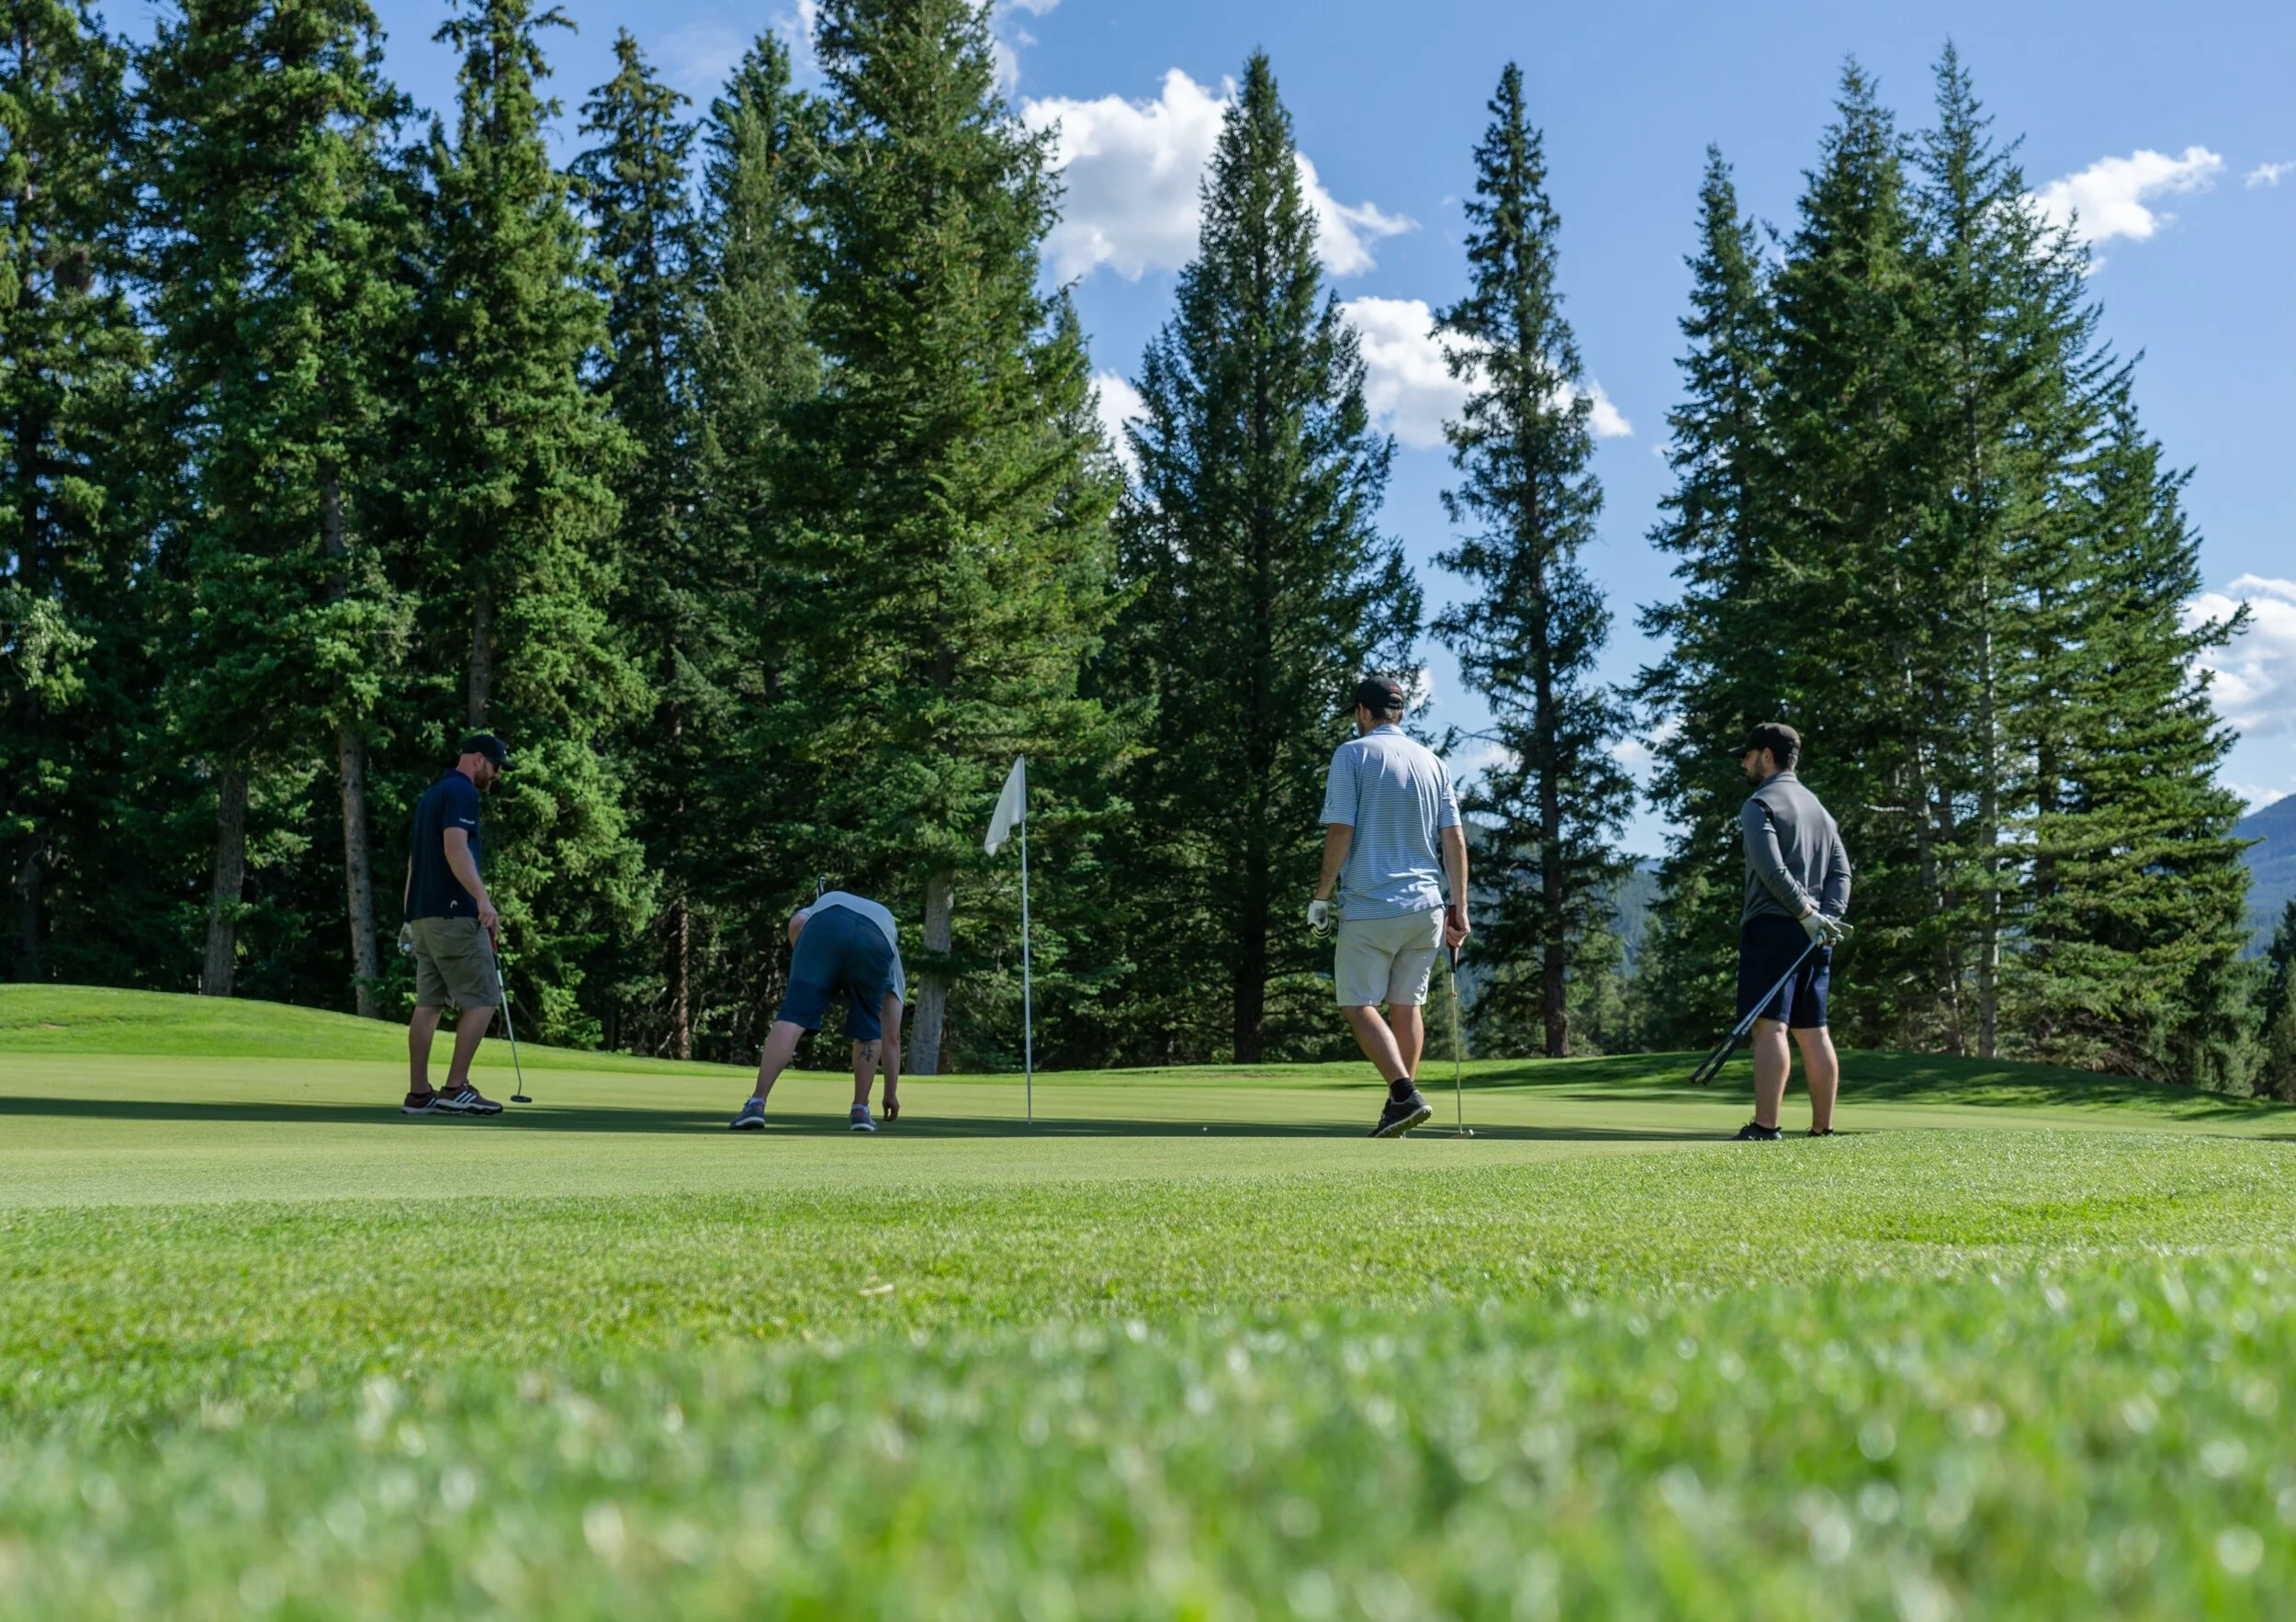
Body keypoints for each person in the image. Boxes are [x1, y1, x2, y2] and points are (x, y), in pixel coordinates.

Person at [1311, 675, 1470, 1138]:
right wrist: (1460, 906)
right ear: (1398, 712)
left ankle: (1403, 1093)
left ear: (1363, 712)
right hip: (1427, 908)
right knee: (1407, 1006)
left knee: (1357, 1004)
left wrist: (1321, 895)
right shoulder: (1433, 762)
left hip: (1371, 904)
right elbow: (1454, 839)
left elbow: (1341, 829)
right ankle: (1399, 1106)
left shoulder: (1352, 754)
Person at [1732, 721, 1852, 1141]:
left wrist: (1804, 913)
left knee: (1770, 1027)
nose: (1743, 763)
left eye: (1747, 755)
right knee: (1813, 1030)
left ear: (1767, 756)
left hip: (1773, 925)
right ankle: (1823, 1130)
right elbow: (1841, 873)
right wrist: (1825, 918)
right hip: (1816, 934)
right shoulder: (1820, 810)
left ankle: (1766, 1127)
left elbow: (1771, 869)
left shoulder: (1759, 804)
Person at [729, 889, 906, 1133]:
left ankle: (756, 1104)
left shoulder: (822, 904)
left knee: (793, 1015)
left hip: (825, 924)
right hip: (875, 940)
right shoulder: (891, 958)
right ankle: (860, 1111)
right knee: (868, 1026)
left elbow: (797, 923)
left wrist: (810, 966)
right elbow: (892, 1037)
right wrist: (890, 1094)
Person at [400, 734, 512, 1117]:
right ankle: (454, 1088)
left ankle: (419, 1095)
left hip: (424, 918)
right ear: (478, 759)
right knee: (483, 1000)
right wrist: (483, 900)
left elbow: (414, 863)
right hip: (454, 915)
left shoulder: (431, 796)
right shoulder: (463, 792)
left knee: (428, 1004)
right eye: (496, 767)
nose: (497, 775)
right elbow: (455, 848)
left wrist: (408, 916)